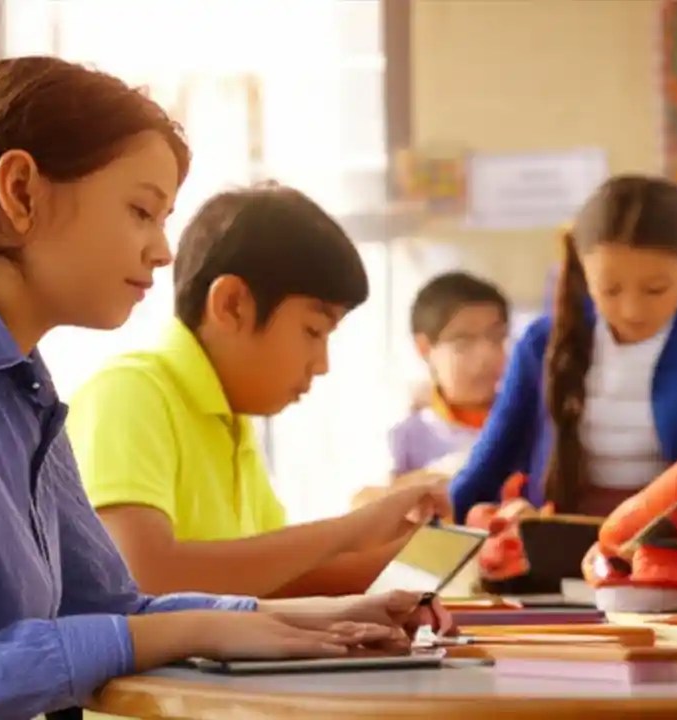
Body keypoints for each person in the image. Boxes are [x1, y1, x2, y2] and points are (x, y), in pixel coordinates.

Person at [0, 57, 451, 720]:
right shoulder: (125, 390)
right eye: (141, 211)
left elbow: (111, 608)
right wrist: (201, 626)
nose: (163, 251)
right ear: (23, 191)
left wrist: (303, 621)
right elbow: (134, 608)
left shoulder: (25, 390)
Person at [65, 183, 449, 598]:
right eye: (313, 331)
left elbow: (281, 580)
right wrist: (352, 530)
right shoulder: (130, 391)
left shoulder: (232, 418)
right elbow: (143, 576)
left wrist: (431, 549)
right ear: (232, 305)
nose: (321, 365)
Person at [450, 175, 677, 519]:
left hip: (667, 540)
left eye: (655, 289)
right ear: (581, 269)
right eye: (610, 289)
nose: (632, 310)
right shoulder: (541, 344)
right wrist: (452, 519)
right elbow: (487, 467)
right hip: (554, 532)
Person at [353, 272, 510, 509]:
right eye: (463, 342)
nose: (486, 355)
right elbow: (361, 505)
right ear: (425, 348)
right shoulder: (404, 434)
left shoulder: (525, 421)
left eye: (496, 337)